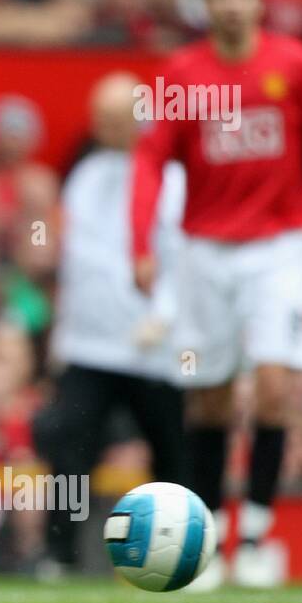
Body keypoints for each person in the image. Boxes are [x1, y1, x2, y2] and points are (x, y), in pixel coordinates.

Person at [130, 0, 302, 588]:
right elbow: (152, 160)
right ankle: (209, 533)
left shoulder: (293, 64)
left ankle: (259, 534)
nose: (234, 6)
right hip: (204, 249)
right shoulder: (183, 73)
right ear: (207, 3)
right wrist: (142, 243)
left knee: (274, 384)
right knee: (209, 394)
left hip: (280, 247)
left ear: (258, 2)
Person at [32, 71, 186, 575]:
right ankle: (60, 555)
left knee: (173, 451)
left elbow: (181, 259)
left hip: (152, 348)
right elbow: (79, 263)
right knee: (69, 450)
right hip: (89, 347)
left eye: (115, 119)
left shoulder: (173, 179)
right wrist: (63, 336)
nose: (105, 128)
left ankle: (183, 548)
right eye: (101, 119)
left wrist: (164, 318)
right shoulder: (87, 174)